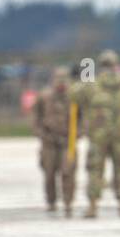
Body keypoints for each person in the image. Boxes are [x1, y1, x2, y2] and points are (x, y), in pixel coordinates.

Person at [73, 50, 120, 218]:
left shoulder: (91, 84)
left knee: (95, 170)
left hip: (98, 137)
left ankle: (92, 206)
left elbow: (74, 95)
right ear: (116, 65)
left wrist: (86, 73)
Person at [33, 67, 77, 216]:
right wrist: (40, 133)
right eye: (58, 81)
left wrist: (79, 133)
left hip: (68, 142)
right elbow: (36, 117)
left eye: (64, 81)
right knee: (49, 173)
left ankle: (68, 202)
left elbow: (84, 118)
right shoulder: (44, 97)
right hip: (49, 142)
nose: (61, 84)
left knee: (68, 172)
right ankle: (51, 201)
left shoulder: (74, 97)